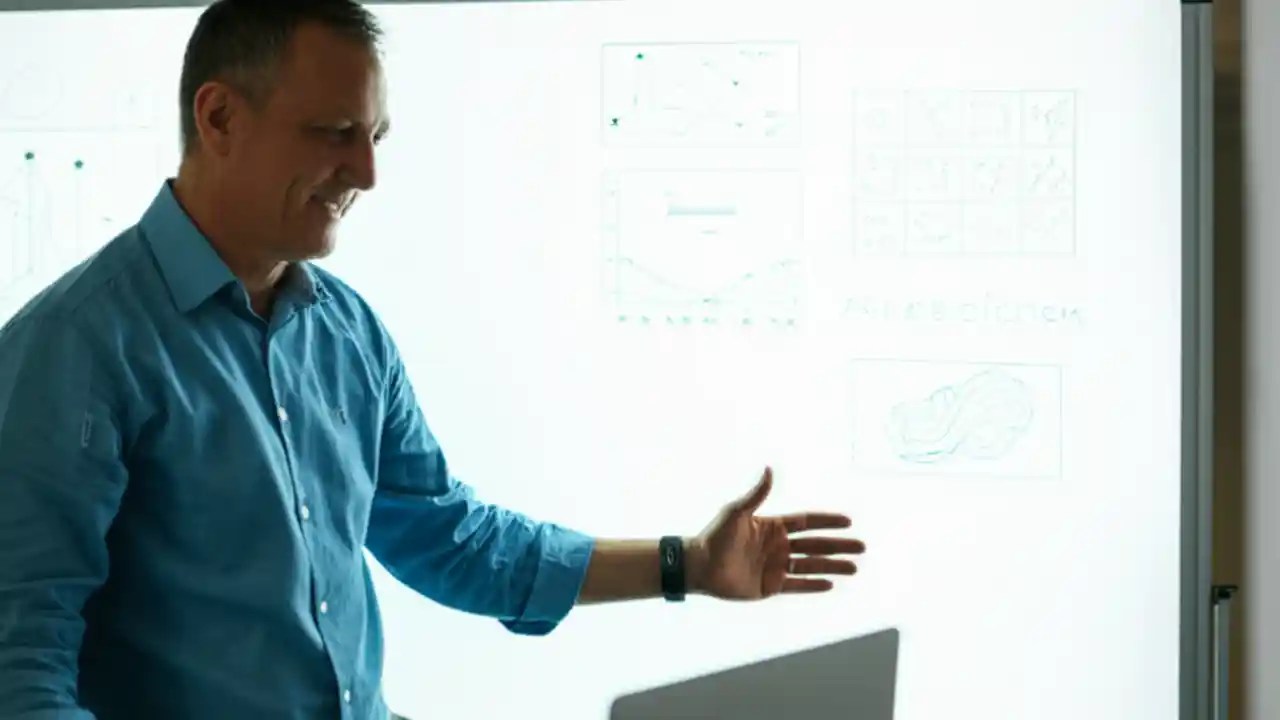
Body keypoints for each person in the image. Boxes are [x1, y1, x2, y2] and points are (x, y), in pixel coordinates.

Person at [0, 1, 866, 719]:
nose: (367, 173)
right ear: (220, 117)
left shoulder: (346, 332)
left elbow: (451, 540)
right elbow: (22, 668)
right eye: (335, 132)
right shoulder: (72, 350)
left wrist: (684, 565)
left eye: (375, 134)